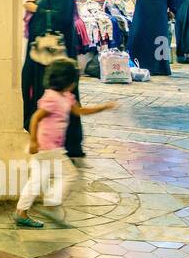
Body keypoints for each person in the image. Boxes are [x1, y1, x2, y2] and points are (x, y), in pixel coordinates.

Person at [14, 57, 116, 229]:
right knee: (70, 174)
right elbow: (36, 117)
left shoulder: (67, 97)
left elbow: (80, 111)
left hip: (46, 147)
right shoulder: (52, 98)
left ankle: (21, 212)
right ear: (67, 81)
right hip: (49, 147)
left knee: (37, 180)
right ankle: (52, 204)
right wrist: (33, 140)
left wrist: (103, 107)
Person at [21, 0, 85, 160]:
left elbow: (61, 17)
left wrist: (37, 9)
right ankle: (43, 137)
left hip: (54, 57)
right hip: (41, 53)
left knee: (58, 96)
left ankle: (67, 141)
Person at [118, 0, 173, 76]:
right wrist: (172, 10)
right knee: (160, 40)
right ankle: (161, 68)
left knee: (140, 38)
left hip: (143, 14)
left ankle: (140, 64)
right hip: (159, 15)